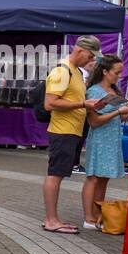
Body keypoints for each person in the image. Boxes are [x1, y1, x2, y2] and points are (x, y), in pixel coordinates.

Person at [41, 35, 100, 234]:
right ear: (80, 50)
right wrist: (82, 104)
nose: (90, 60)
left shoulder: (75, 71)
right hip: (62, 131)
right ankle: (51, 220)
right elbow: (49, 104)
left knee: (58, 174)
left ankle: (53, 218)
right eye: (90, 56)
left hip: (71, 130)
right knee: (55, 174)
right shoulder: (62, 71)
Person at [81, 54, 128, 231]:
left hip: (112, 139)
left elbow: (122, 117)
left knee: (104, 178)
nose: (119, 76)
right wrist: (118, 112)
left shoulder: (115, 91)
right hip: (99, 139)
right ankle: (88, 216)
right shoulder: (94, 92)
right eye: (116, 72)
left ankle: (98, 214)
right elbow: (95, 122)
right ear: (105, 71)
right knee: (93, 177)